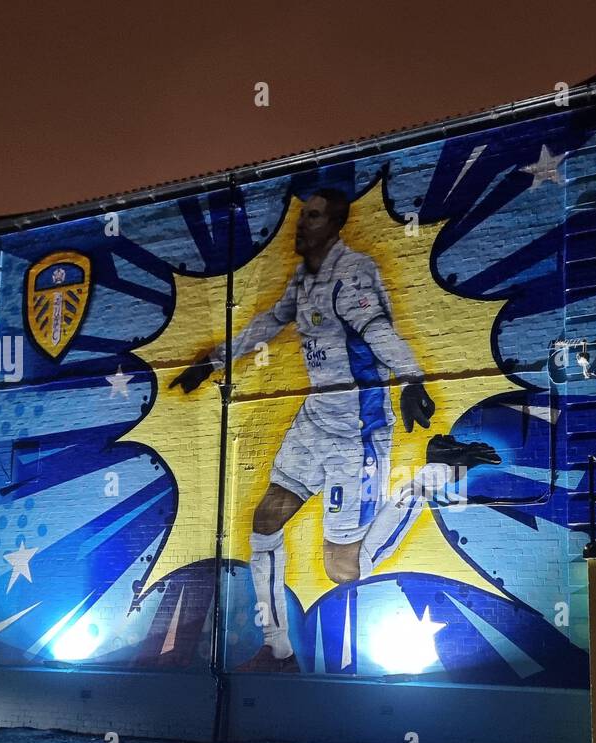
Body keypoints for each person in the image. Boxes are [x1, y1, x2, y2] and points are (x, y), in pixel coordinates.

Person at [171, 189, 497, 672]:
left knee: (343, 570)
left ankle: (434, 473)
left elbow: (379, 330)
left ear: (336, 224)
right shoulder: (304, 278)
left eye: (314, 217)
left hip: (356, 435)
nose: (301, 225)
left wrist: (410, 379)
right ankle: (276, 649)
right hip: (313, 422)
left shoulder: (353, 272)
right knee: (264, 522)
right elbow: (271, 321)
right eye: (302, 216)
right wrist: (213, 361)